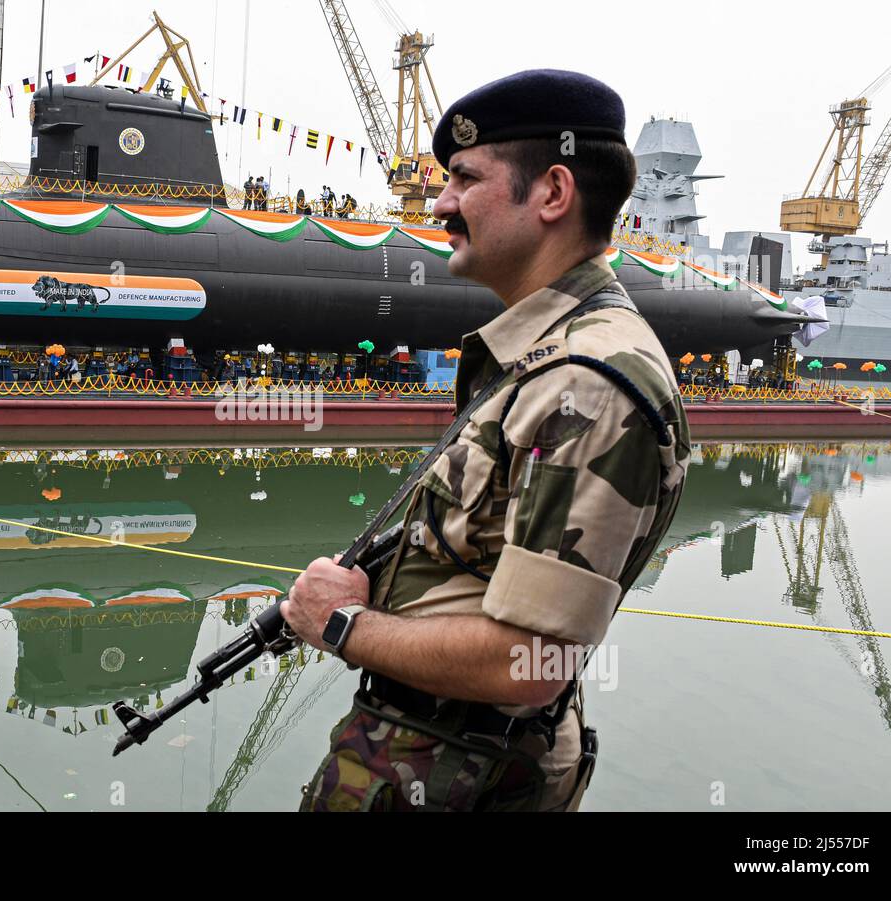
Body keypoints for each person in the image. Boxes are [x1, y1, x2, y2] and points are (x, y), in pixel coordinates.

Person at [286, 69, 690, 812]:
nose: (440, 202)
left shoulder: (587, 381)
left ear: (553, 193)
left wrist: (340, 623)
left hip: (459, 778)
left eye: (464, 178)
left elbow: (529, 660)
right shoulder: (540, 360)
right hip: (434, 763)